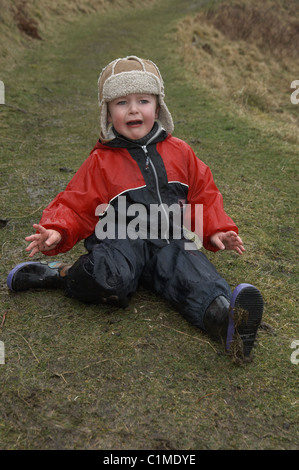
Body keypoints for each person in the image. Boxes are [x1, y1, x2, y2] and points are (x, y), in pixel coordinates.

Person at [7, 56, 263, 359]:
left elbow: (204, 194)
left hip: (167, 238)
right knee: (109, 280)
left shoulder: (181, 152)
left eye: (143, 100)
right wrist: (57, 231)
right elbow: (75, 205)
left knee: (195, 273)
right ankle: (60, 275)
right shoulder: (101, 161)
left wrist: (218, 230)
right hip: (120, 241)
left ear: (158, 106)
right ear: (107, 112)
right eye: (121, 103)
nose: (133, 109)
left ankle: (226, 321)